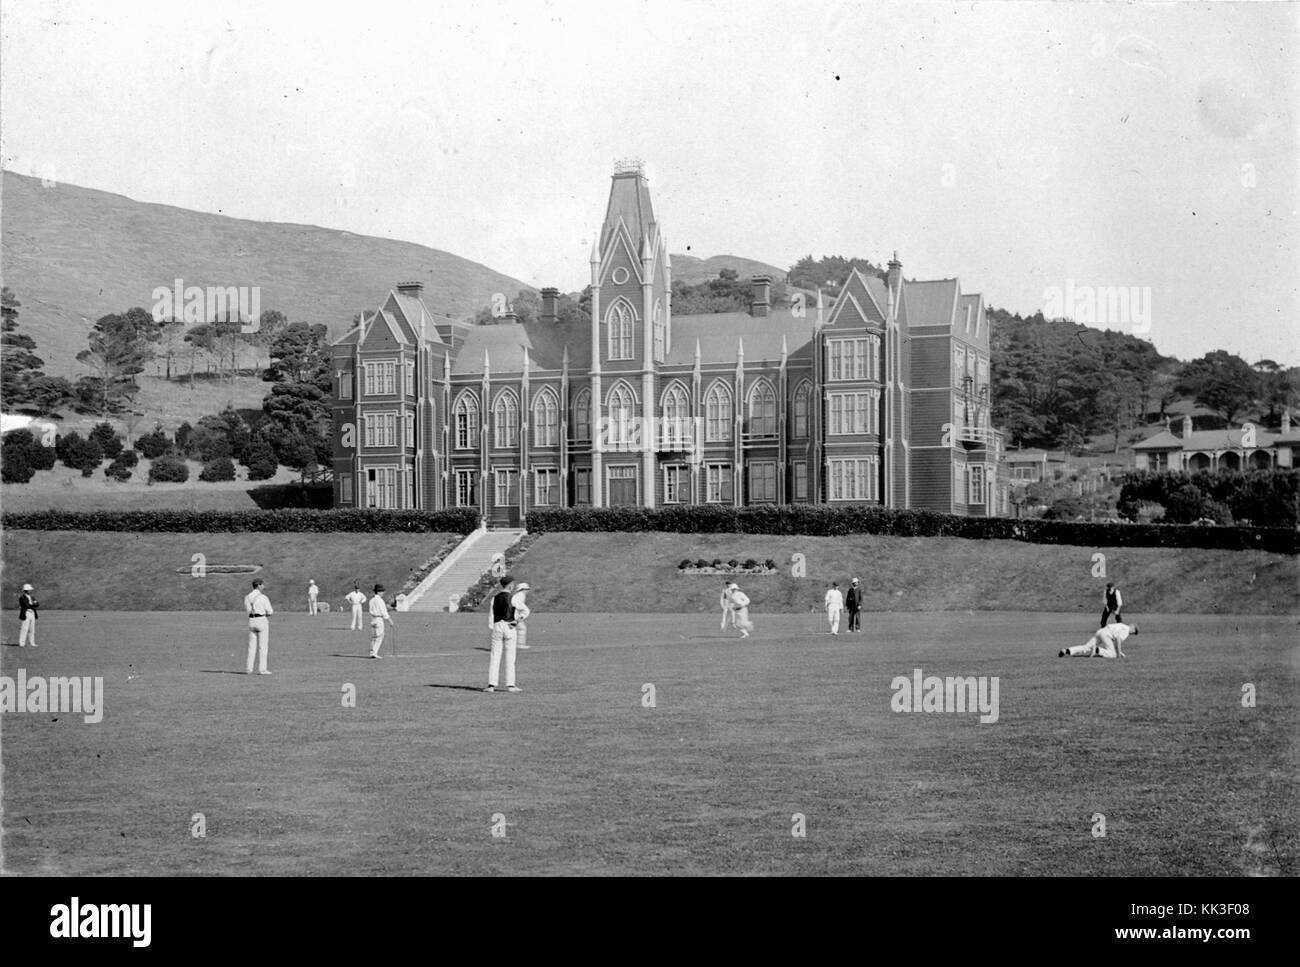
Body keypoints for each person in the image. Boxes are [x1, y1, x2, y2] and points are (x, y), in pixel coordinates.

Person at [485, 576, 521, 693]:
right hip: (509, 626)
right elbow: (525, 611)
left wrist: (494, 627)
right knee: (510, 656)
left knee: (495, 656)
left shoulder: (494, 598)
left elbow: (491, 615)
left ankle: (491, 685)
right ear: (510, 585)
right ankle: (511, 685)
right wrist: (517, 621)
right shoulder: (513, 598)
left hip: (497, 626)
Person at [1060, 622, 1139, 659]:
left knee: (1086, 647)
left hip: (1101, 631)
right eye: (1134, 632)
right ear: (1133, 628)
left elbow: (1112, 642)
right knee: (1113, 655)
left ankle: (1067, 651)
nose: (1132, 634)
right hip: (1106, 635)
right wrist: (1118, 655)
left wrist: (1120, 652)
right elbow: (1118, 641)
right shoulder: (1126, 631)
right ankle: (1097, 650)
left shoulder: (1121, 625)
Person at [244, 579, 274, 675]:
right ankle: (262, 669)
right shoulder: (263, 597)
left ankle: (249, 668)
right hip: (261, 621)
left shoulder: (247, 597)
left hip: (251, 620)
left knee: (251, 647)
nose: (263, 586)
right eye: (262, 585)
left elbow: (248, 610)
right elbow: (270, 611)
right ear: (259, 585)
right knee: (263, 646)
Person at [368, 583, 393, 658]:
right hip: (378, 619)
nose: (383, 593)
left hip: (372, 618)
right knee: (380, 636)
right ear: (378, 592)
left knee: (374, 636)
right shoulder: (380, 600)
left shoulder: (372, 600)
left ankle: (372, 652)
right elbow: (383, 611)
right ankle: (374, 653)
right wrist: (389, 620)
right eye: (382, 591)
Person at [18, 583, 39, 648]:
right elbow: (26, 605)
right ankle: (22, 643)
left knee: (32, 629)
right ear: (26, 590)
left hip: (32, 613)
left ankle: (32, 642)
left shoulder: (32, 597)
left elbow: (38, 604)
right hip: (26, 613)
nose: (30, 591)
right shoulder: (22, 597)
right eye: (29, 590)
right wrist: (34, 604)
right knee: (24, 628)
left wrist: (33, 604)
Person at [513, 582, 532, 649]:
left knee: (511, 629)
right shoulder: (521, 595)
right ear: (522, 589)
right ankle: (520, 644)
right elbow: (520, 606)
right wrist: (522, 616)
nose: (528, 590)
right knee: (521, 628)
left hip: (512, 615)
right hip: (515, 616)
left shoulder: (517, 595)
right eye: (527, 589)